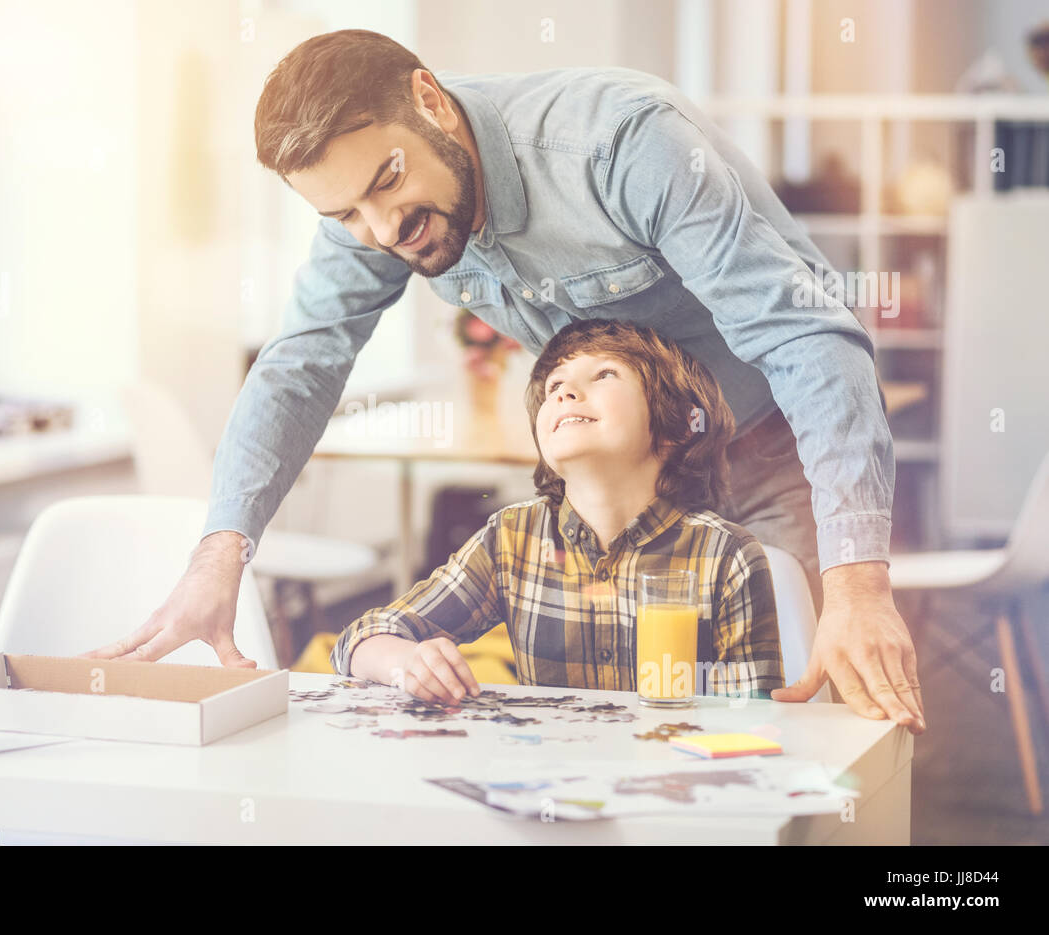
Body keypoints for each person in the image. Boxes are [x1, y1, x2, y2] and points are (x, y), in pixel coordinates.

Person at [84, 29, 924, 734]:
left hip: (766, 439)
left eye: (387, 181)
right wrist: (217, 555)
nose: (382, 229)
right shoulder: (368, 216)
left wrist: (861, 582)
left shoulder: (622, 144)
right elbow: (299, 364)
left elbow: (803, 333)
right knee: (642, 722)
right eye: (343, 215)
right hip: (624, 489)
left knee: (805, 711)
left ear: (432, 102)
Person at [331, 319, 783, 704]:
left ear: (675, 426)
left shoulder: (728, 555)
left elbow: (751, 722)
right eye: (554, 386)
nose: (565, 391)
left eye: (604, 374)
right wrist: (404, 661)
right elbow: (361, 638)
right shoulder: (513, 537)